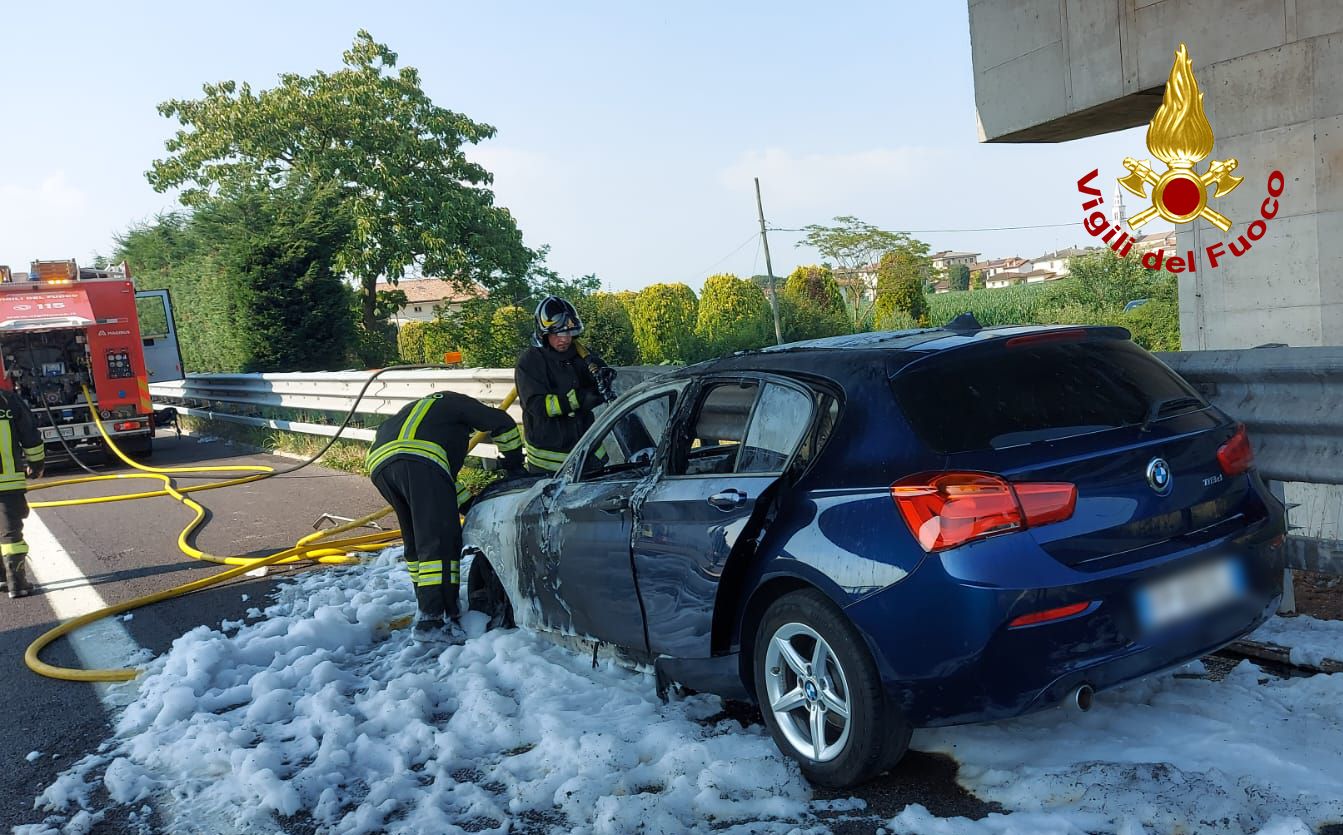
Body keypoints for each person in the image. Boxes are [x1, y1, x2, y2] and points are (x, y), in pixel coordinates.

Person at [366, 390, 524, 644]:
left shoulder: (426, 414)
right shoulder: (459, 403)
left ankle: (426, 608)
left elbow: (443, 484)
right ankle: (434, 621)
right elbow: (502, 422)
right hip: (420, 461)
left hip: (380, 466)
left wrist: (473, 506)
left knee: (417, 540)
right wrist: (515, 465)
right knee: (440, 541)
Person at [514, 296, 616, 474]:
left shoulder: (581, 355)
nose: (565, 339)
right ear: (544, 334)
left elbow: (595, 379)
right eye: (558, 334)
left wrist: (603, 379)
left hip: (588, 454)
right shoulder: (530, 362)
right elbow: (536, 405)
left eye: (569, 333)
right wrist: (579, 399)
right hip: (550, 462)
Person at [0, 387, 44, 599]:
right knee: (10, 533)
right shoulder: (7, 401)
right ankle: (17, 583)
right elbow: (29, 435)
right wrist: (36, 464)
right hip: (6, 483)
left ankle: (2, 578)